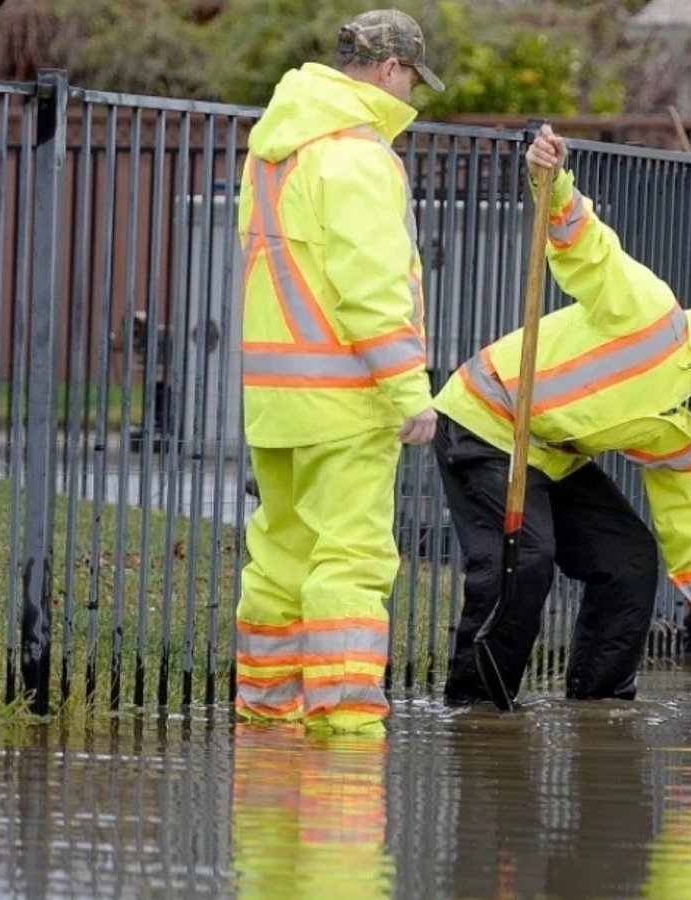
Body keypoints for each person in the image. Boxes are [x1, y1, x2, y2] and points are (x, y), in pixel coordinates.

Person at [431, 124, 691, 707]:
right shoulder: (652, 317)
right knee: (525, 559)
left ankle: (598, 708)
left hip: (553, 450)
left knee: (627, 560)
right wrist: (551, 181)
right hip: (489, 416)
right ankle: (477, 707)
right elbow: (587, 247)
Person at [232, 8, 446, 733]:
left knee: (279, 555)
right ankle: (344, 723)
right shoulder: (356, 155)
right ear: (390, 69)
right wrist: (408, 390)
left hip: (276, 394)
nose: (415, 96)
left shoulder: (274, 148)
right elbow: (371, 284)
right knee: (350, 561)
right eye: (413, 78)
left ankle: (266, 713)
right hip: (347, 397)